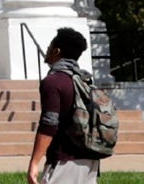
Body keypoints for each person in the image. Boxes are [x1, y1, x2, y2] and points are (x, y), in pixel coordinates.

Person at [28, 26, 105, 184]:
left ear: (56, 51)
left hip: (64, 161)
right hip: (90, 159)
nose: (47, 49)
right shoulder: (84, 80)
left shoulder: (53, 82)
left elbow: (49, 124)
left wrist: (34, 162)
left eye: (50, 46)